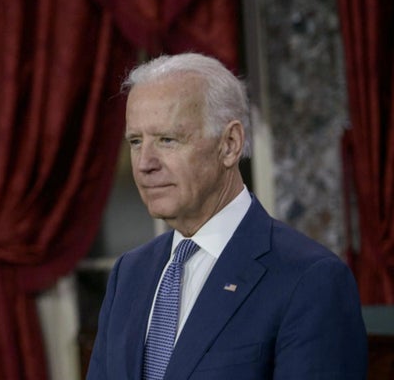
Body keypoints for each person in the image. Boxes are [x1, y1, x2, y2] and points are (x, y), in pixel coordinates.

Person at [86, 53, 367, 379]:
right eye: (136, 141)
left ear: (230, 144)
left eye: (167, 140)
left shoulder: (310, 280)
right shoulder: (129, 273)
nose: (145, 163)